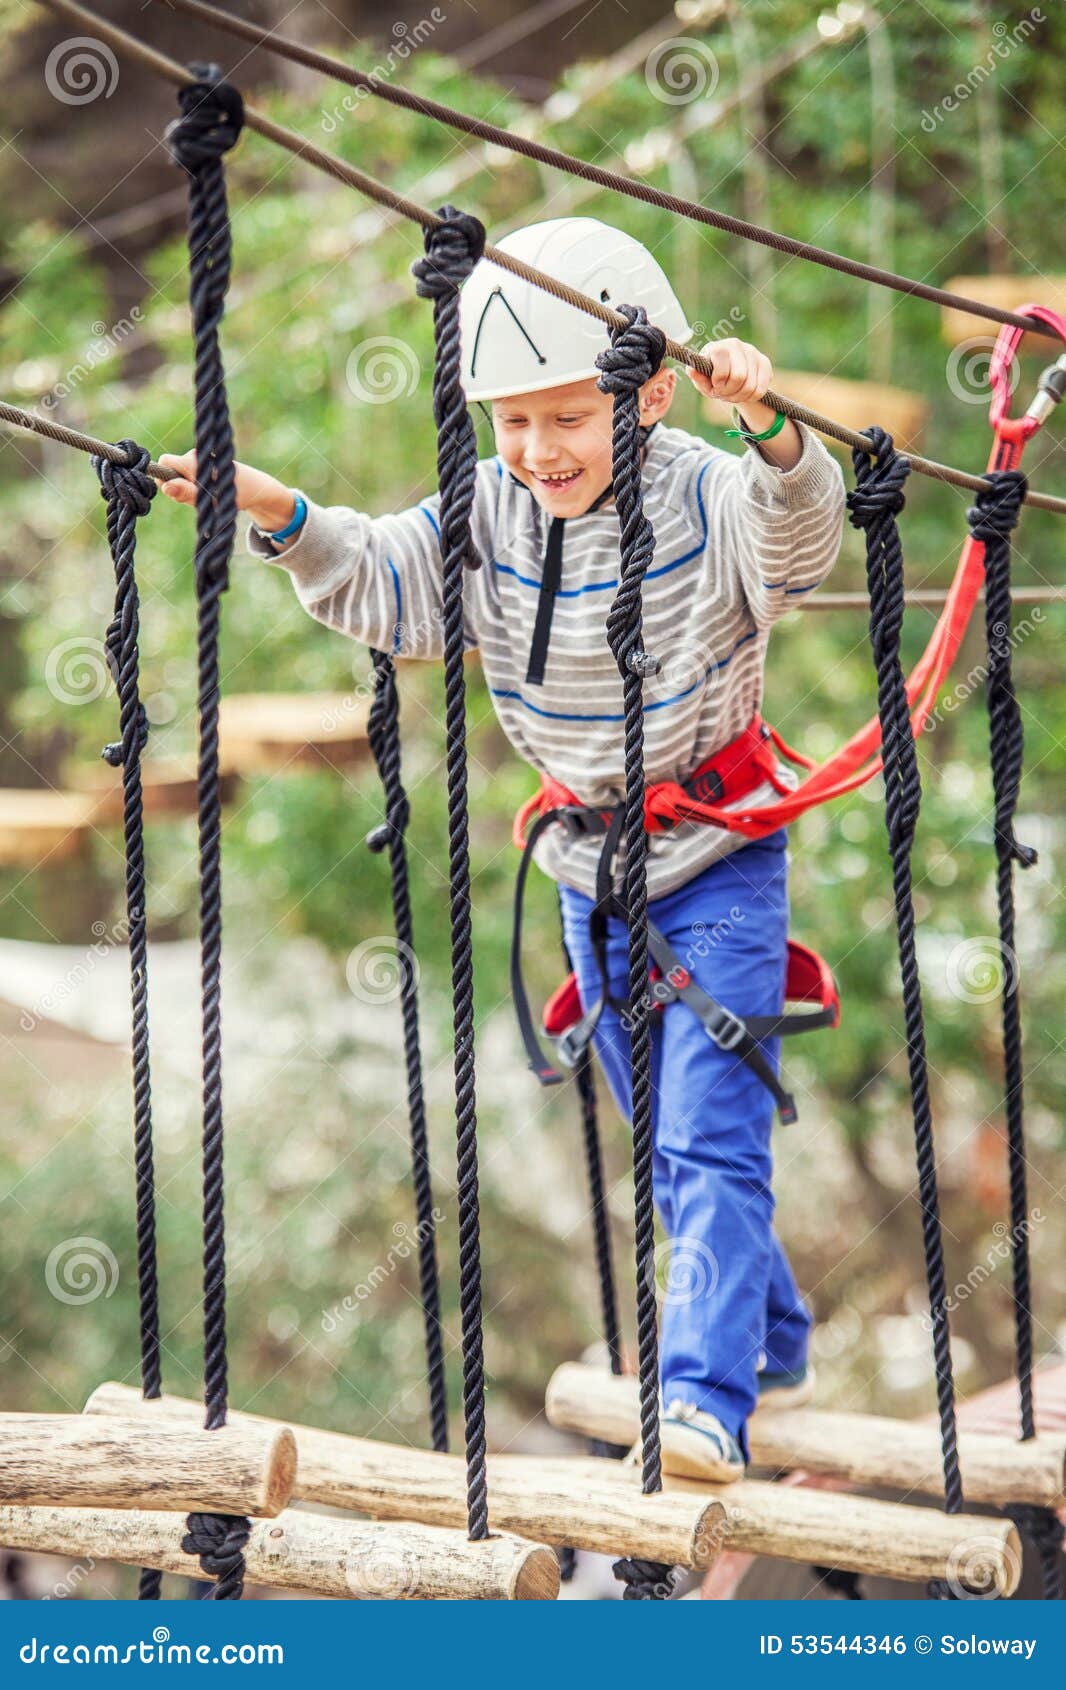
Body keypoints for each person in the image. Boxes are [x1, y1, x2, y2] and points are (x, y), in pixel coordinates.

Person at [159, 216, 846, 1482]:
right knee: (665, 1138)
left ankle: (703, 1400)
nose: (535, 451)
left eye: (563, 419)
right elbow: (383, 583)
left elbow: (799, 551)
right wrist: (279, 511)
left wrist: (775, 431)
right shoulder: (491, 511)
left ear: (645, 394)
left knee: (705, 1137)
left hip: (717, 865)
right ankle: (776, 1338)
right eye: (510, 421)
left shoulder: (704, 487)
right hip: (589, 872)